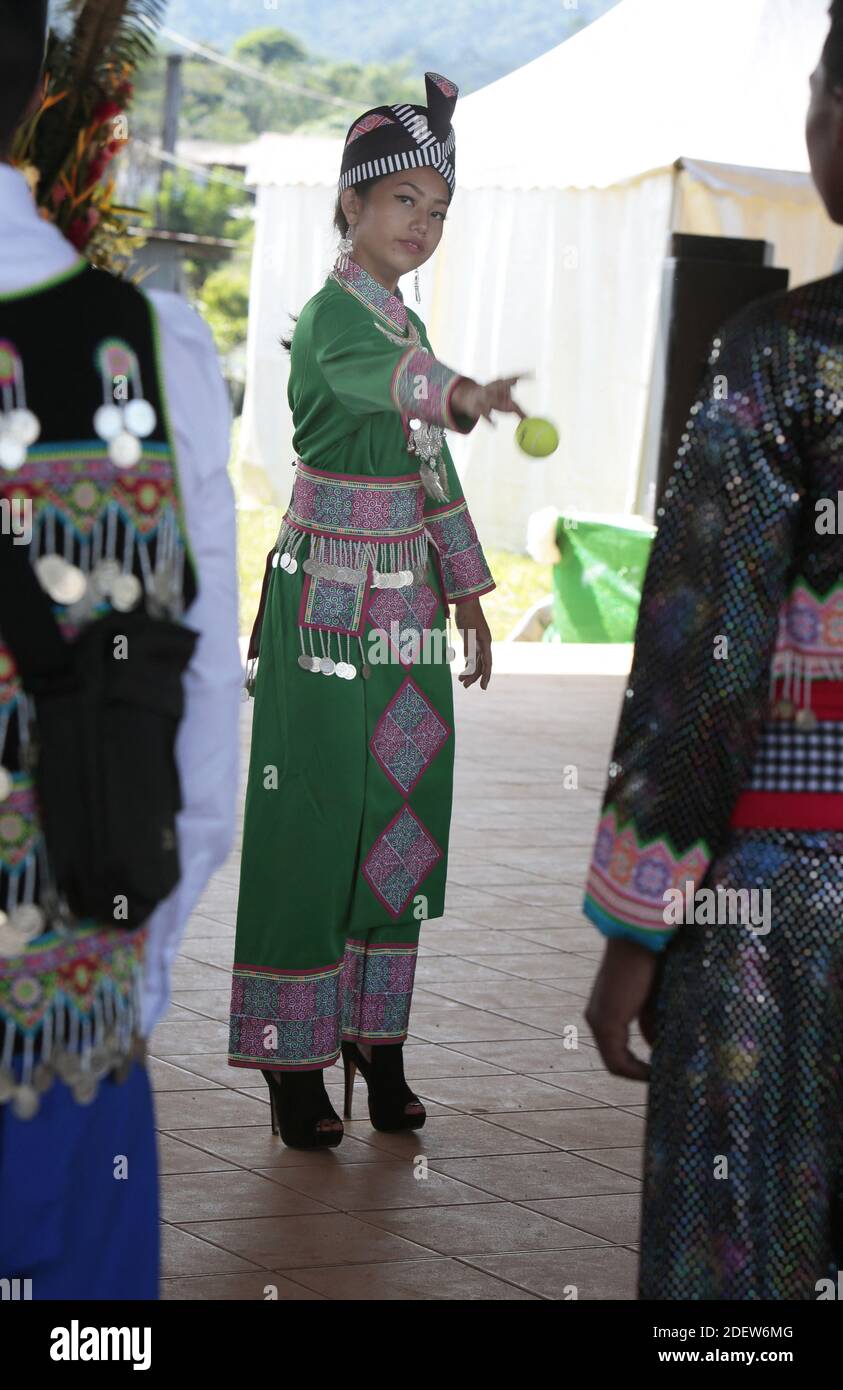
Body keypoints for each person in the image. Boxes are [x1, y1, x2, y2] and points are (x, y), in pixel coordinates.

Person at [582, 1, 843, 1301]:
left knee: (733, 1272)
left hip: (771, 900)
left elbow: (706, 663)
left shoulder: (776, 357)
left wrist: (636, 921)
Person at [228, 72, 523, 1148]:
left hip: (407, 604)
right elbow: (404, 389)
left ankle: (374, 1036)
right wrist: (458, 390)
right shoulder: (330, 322)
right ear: (350, 204)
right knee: (311, 817)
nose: (424, 225)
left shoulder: (404, 316)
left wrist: (473, 596)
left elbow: (428, 464)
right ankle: (289, 1052)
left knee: (400, 819)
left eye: (439, 210)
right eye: (404, 201)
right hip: (325, 609)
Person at [0, 4, 242, 1298]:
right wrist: (126, 971)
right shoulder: (155, 350)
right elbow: (202, 714)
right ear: (42, 87)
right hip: (65, 1016)